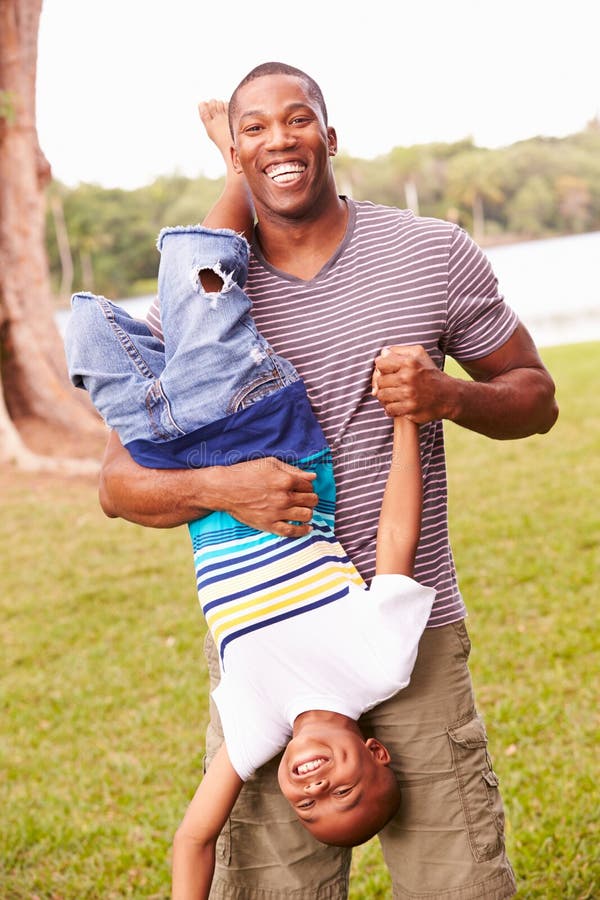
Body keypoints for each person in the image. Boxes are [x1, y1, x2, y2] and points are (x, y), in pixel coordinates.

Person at [98, 68, 559, 899]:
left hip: (412, 644)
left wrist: (448, 395)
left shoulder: (430, 253)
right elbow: (117, 483)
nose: (280, 141)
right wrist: (223, 488)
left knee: (459, 885)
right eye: (255, 131)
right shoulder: (200, 306)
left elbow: (536, 397)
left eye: (298, 120)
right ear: (235, 156)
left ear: (330, 136)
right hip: (265, 650)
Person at [63, 122, 436, 893]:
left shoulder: (256, 731)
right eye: (343, 790)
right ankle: (237, 162)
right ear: (377, 755)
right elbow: (398, 535)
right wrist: (408, 419)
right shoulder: (377, 669)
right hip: (269, 440)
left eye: (310, 806)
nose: (311, 787)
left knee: (89, 335)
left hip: (190, 465)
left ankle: (215, 218)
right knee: (193, 274)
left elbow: (195, 836)